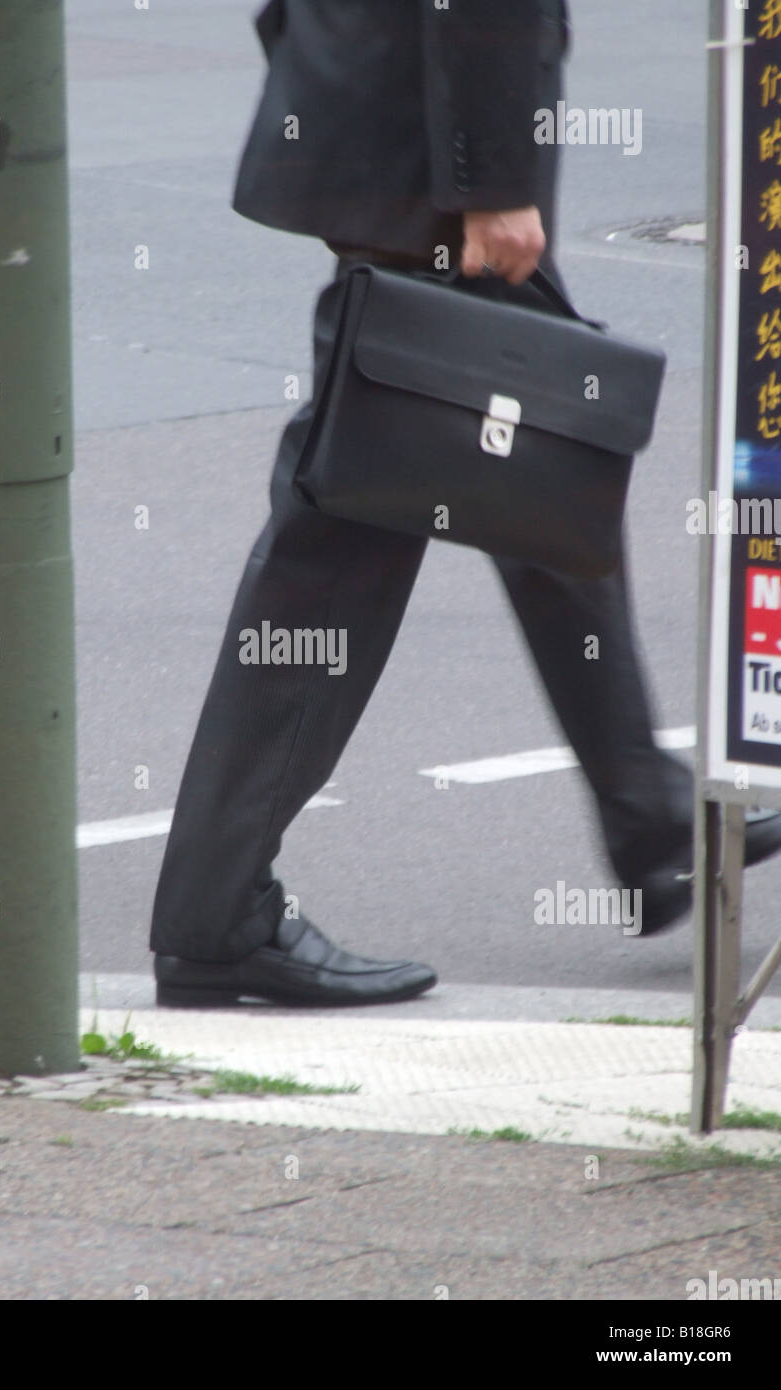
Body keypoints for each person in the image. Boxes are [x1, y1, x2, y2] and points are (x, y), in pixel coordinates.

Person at [149, 0, 781, 1009]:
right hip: (430, 157)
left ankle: (650, 814)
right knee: (356, 530)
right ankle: (214, 915)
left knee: (535, 457)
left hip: (386, 118)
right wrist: (491, 180)